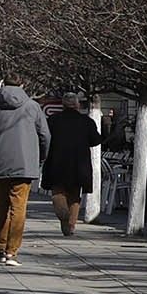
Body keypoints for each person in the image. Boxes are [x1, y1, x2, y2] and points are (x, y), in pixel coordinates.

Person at [0, 77, 49, 267]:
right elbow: (45, 135)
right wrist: (40, 157)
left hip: (0, 162)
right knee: (19, 208)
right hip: (25, 164)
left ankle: (0, 249)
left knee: (1, 206)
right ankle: (12, 252)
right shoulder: (33, 106)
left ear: (3, 85)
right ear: (23, 85)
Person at [44, 93, 102, 237]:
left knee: (58, 192)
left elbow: (44, 137)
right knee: (75, 195)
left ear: (63, 105)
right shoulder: (86, 121)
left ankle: (63, 215)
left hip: (57, 162)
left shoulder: (53, 120)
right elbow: (95, 140)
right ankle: (71, 224)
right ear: (77, 105)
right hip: (79, 164)